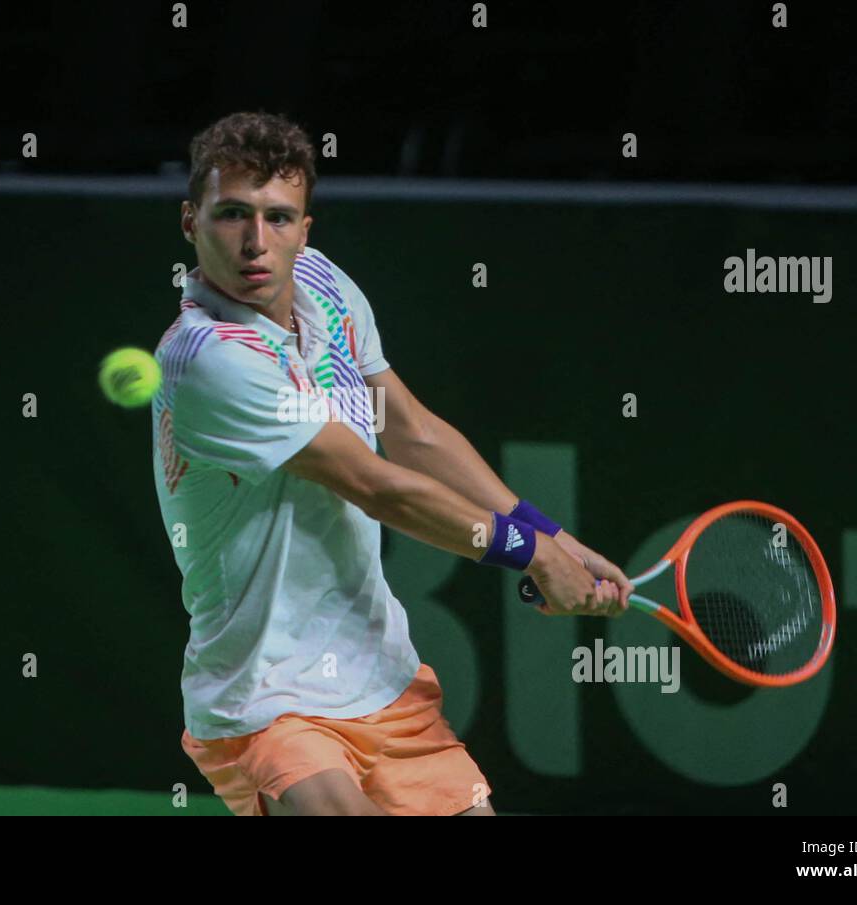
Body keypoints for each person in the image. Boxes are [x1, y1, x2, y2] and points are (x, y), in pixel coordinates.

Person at [152, 111, 632, 816]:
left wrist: (553, 538)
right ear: (190, 221)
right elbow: (380, 486)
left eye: (280, 218)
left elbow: (412, 433)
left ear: (306, 230)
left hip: (379, 674)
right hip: (265, 691)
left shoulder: (322, 285)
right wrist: (529, 555)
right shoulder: (209, 360)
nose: (258, 242)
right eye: (233, 215)